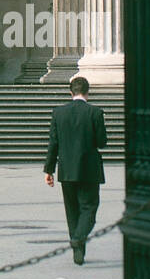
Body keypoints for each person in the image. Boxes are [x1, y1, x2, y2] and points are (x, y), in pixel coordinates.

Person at [44, 76, 107, 265]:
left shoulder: (58, 113)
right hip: (89, 169)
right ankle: (78, 239)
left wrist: (49, 169)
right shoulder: (95, 112)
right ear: (88, 92)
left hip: (66, 169)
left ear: (70, 92)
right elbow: (102, 142)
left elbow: (53, 143)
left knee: (72, 212)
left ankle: (78, 251)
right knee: (89, 208)